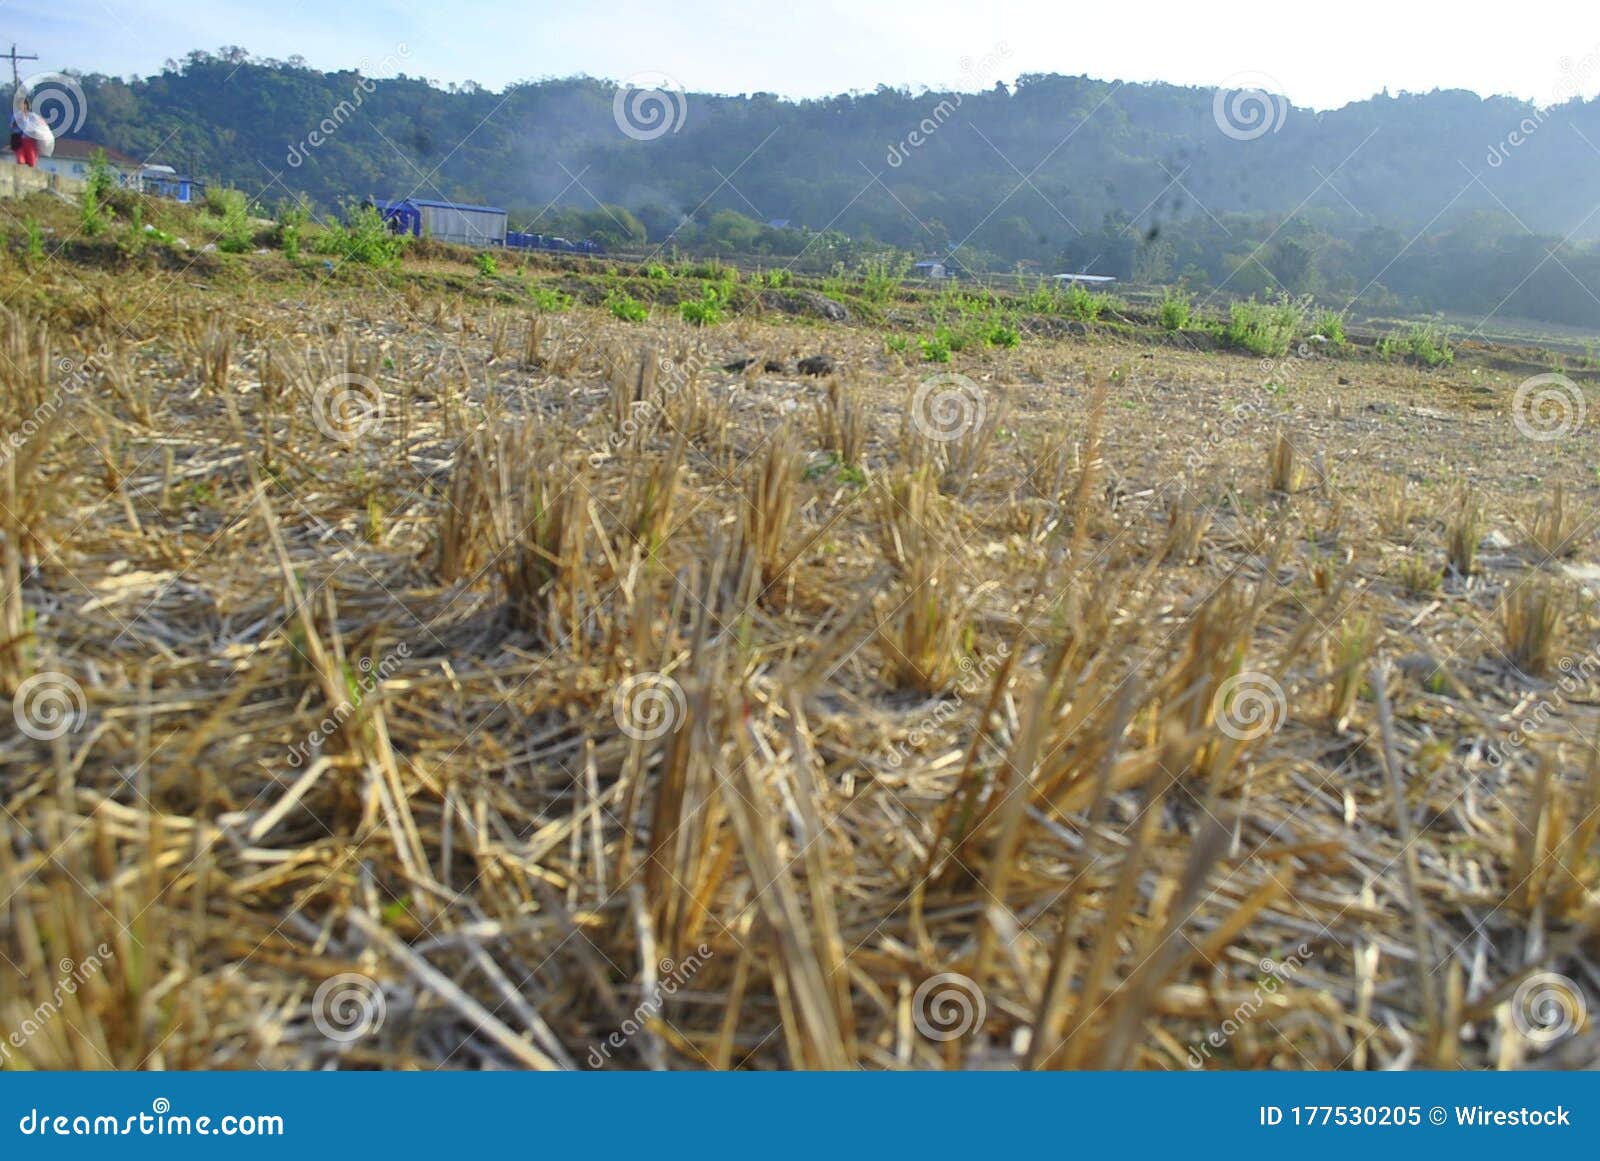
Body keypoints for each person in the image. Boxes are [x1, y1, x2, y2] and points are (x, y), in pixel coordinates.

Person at [10, 96, 38, 167]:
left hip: (29, 139)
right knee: (20, 159)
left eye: (23, 104)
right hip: (18, 139)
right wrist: (20, 119)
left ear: (27, 105)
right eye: (20, 104)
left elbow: (36, 126)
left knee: (31, 160)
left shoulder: (32, 116)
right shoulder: (16, 115)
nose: (21, 106)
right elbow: (12, 125)